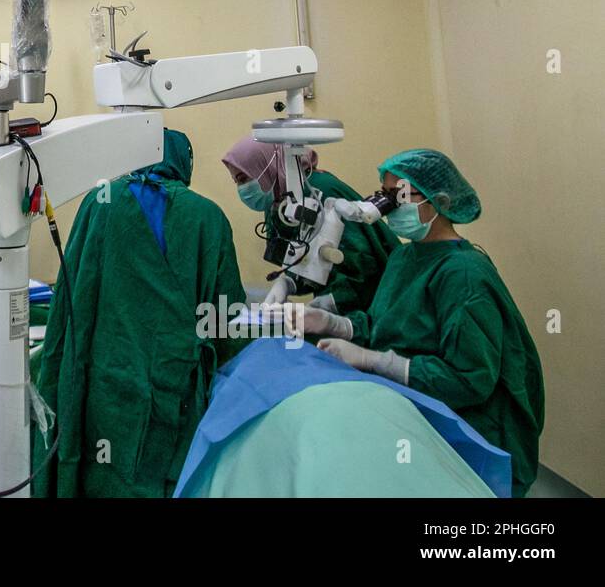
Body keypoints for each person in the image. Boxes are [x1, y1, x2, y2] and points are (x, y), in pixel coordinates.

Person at [296, 149, 545, 497]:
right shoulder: (404, 256)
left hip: (472, 434)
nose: (385, 207)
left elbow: (469, 380)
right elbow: (383, 323)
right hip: (418, 413)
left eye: (396, 197)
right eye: (382, 195)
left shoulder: (465, 274)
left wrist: (372, 360)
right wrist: (332, 323)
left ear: (437, 201)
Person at [33, 129, 246, 497]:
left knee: (100, 472)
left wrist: (57, 369)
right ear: (184, 161)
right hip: (173, 391)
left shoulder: (101, 202)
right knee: (162, 476)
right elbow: (229, 323)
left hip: (105, 388)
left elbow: (70, 299)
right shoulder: (208, 218)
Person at [221, 136, 398, 312]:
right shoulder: (279, 202)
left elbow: (362, 264)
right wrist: (289, 282)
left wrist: (333, 301)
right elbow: (303, 256)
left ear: (267, 166)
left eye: (244, 178)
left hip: (380, 300)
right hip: (340, 302)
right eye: (237, 181)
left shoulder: (321, 191)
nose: (242, 189)